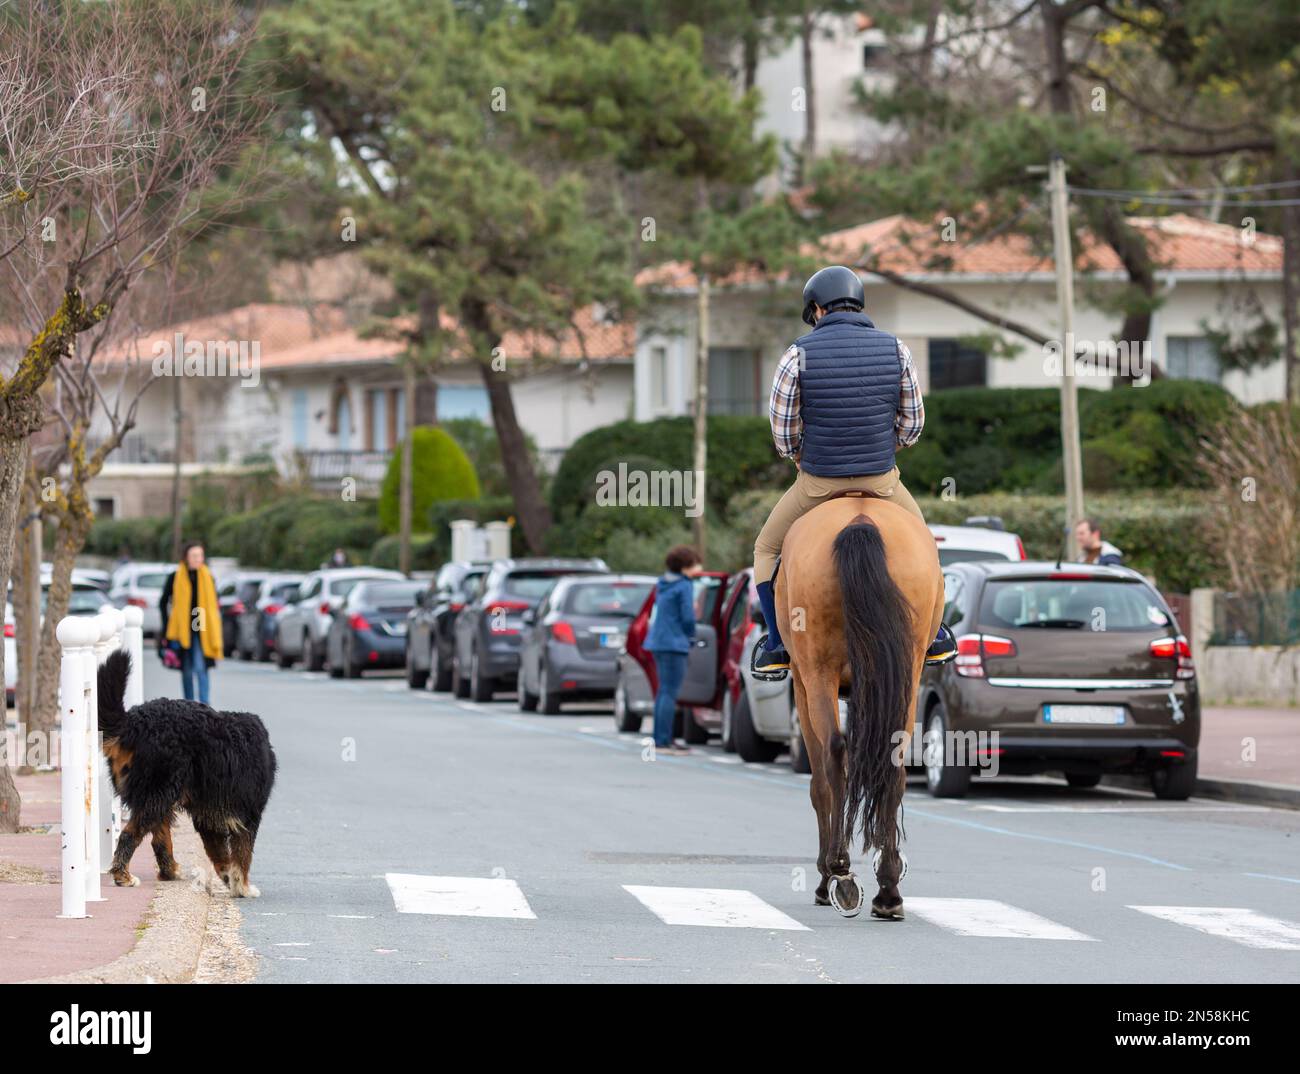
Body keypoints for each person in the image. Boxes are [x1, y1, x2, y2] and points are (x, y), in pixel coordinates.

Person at [752, 265, 957, 673]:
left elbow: (782, 430)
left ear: (817, 309)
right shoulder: (895, 348)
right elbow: (914, 423)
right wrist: (886, 443)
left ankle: (776, 645)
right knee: (927, 549)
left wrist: (797, 453)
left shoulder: (797, 354)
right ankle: (934, 635)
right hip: (882, 482)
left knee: (765, 549)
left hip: (817, 483)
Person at [643, 544, 703, 756]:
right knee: (670, 692)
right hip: (674, 643)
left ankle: (661, 737)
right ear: (686, 566)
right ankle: (663, 741)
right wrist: (691, 635)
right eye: (695, 562)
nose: (698, 566)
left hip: (658, 641)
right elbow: (688, 616)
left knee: (663, 691)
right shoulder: (684, 586)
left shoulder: (663, 583)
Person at [159, 541, 222, 704]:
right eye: (194, 556)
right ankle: (189, 705)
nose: (198, 559)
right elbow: (163, 601)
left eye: (200, 555)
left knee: (201, 667)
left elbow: (213, 604)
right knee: (186, 669)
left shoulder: (208, 576)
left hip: (200, 624)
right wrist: (168, 625)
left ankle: (204, 705)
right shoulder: (176, 576)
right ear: (186, 557)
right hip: (182, 628)